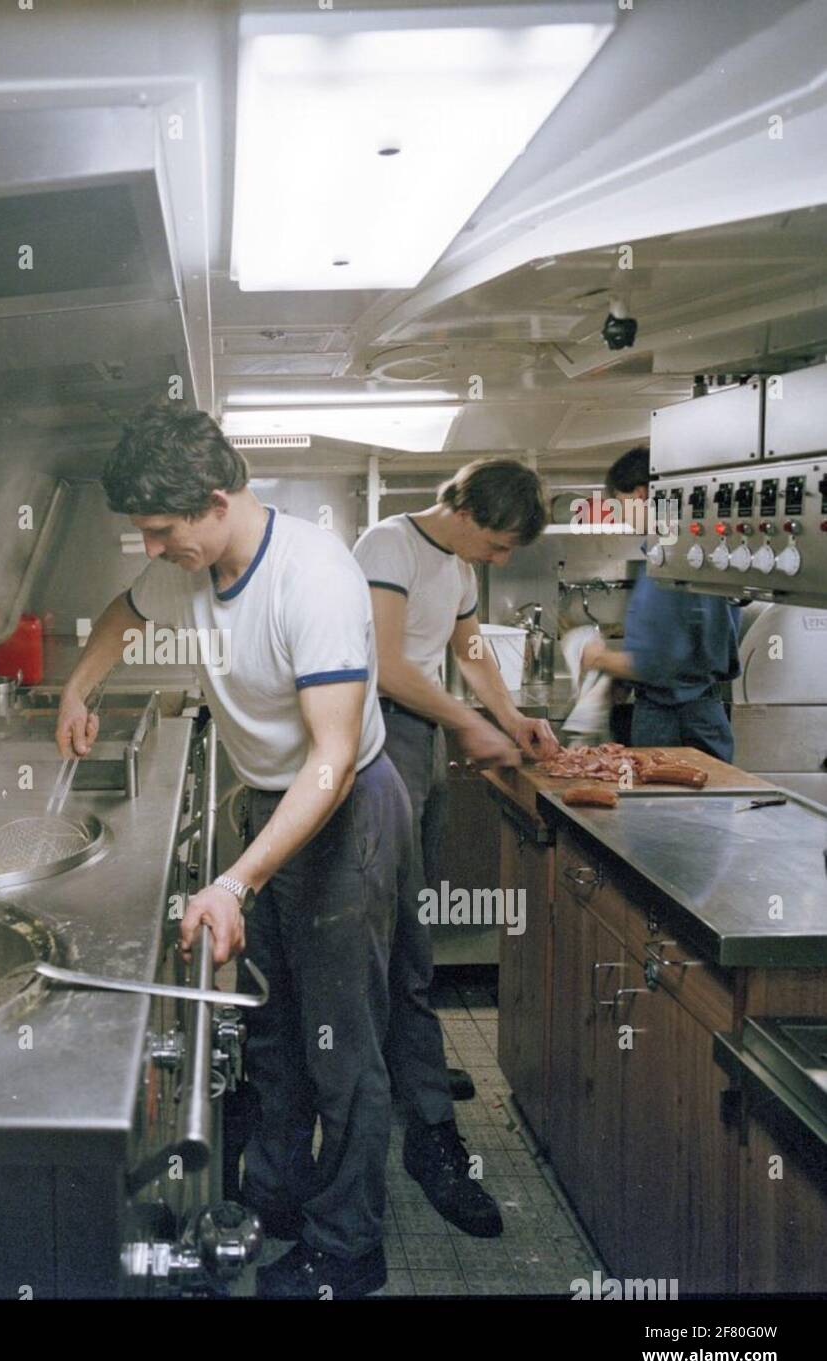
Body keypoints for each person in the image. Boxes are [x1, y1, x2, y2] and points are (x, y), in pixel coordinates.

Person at [56, 403, 412, 1299]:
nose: (152, 548)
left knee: (346, 1049)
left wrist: (235, 882)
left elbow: (330, 758)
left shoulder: (315, 578)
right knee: (276, 1030)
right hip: (271, 803)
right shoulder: (193, 563)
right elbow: (119, 615)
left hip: (344, 811)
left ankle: (349, 1249)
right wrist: (76, 689)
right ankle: (282, 1201)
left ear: (216, 501)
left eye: (161, 530)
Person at [353, 458, 558, 1239]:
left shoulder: (462, 565)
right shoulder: (389, 546)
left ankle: (414, 1068)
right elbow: (386, 662)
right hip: (380, 735)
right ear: (466, 509)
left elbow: (469, 650)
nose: (501, 561)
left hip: (426, 735)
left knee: (412, 920)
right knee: (391, 930)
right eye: (500, 544)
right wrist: (464, 723)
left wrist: (509, 716)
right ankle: (424, 1122)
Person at [581, 446, 742, 762]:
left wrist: (597, 657)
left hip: (673, 721)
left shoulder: (666, 561)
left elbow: (655, 663)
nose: (619, 515)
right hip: (705, 713)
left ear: (641, 494)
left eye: (619, 503)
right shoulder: (698, 549)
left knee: (665, 809)